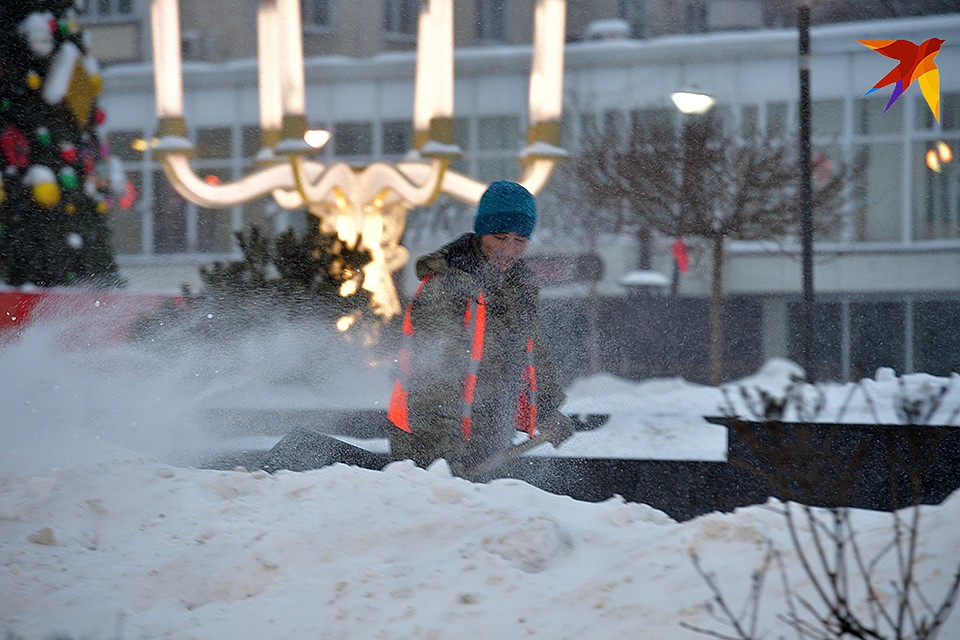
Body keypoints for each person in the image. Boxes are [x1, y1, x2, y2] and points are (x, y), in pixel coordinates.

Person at [386, 180, 574, 478]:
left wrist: (548, 410)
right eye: (500, 237)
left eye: (519, 240)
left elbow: (532, 356)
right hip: (427, 442)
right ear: (482, 231)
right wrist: (444, 454)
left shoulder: (517, 290)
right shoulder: (447, 287)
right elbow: (432, 376)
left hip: (489, 438)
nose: (509, 250)